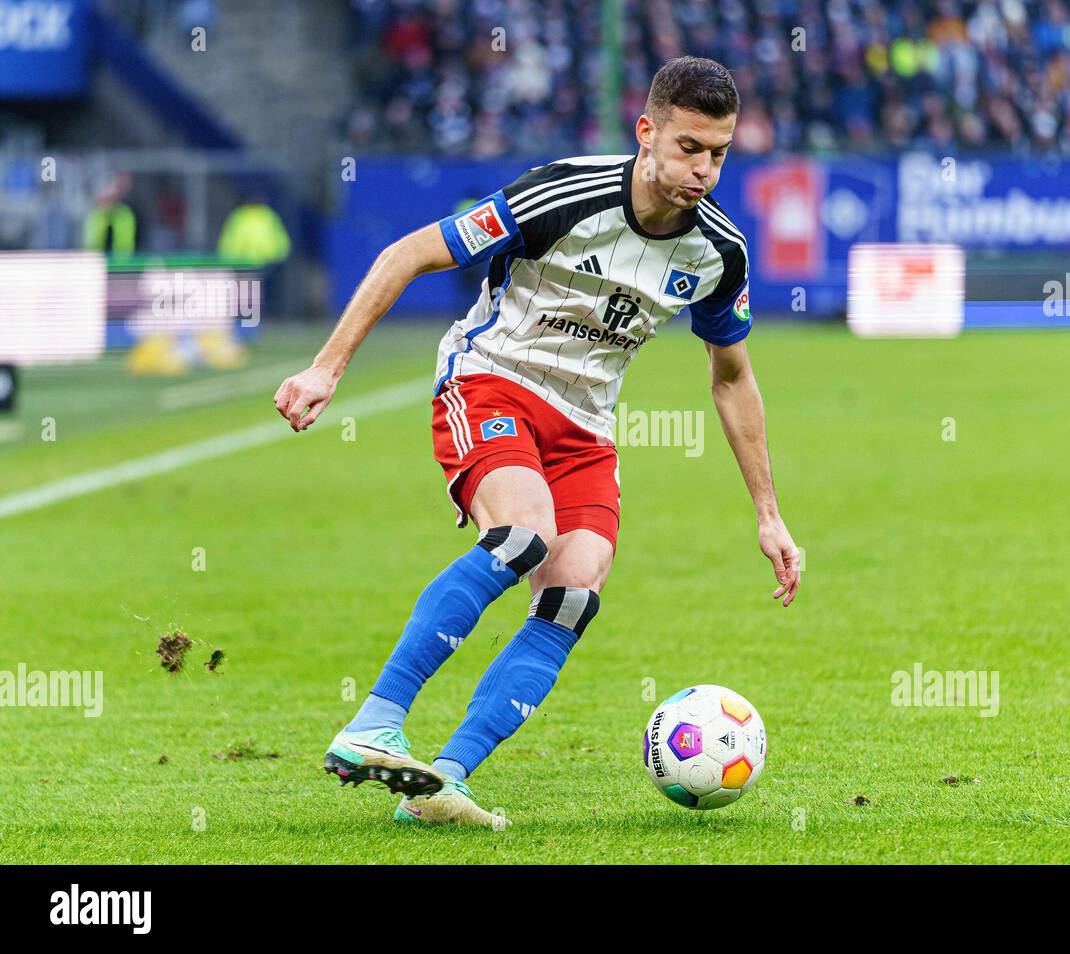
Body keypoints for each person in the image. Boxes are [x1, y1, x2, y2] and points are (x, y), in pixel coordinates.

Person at [274, 56, 800, 828]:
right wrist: (326, 369)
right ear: (646, 132)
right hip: (492, 382)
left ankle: (441, 784)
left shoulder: (717, 253)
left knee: (574, 588)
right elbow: (408, 254)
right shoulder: (564, 191)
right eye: (689, 147)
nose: (704, 169)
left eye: (719, 153)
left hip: (585, 429)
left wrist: (768, 513)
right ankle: (373, 723)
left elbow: (731, 377)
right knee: (523, 536)